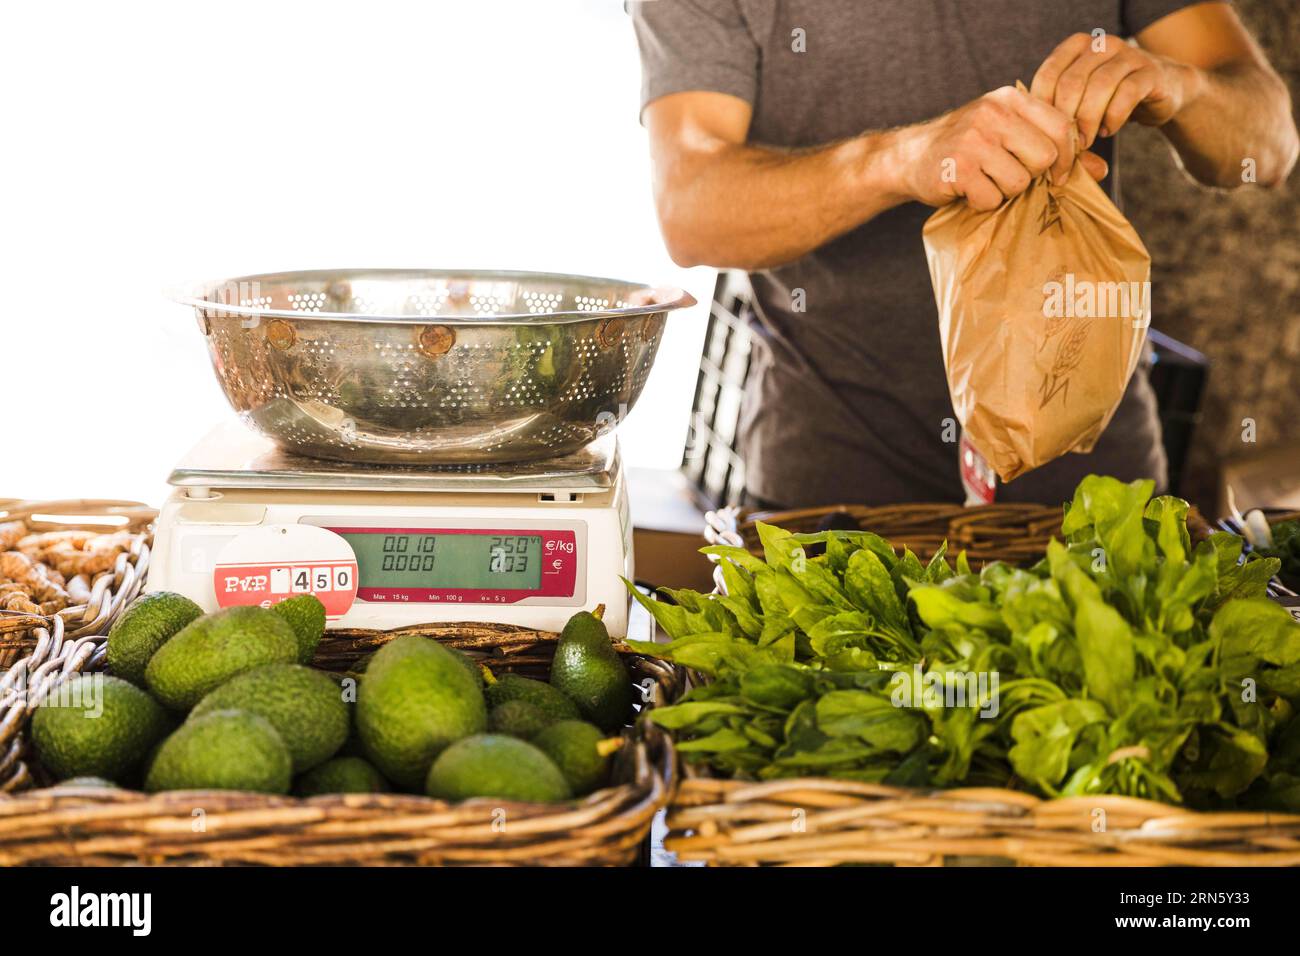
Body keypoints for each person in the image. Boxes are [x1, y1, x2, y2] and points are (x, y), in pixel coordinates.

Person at [631, 1, 1298, 508]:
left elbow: (1267, 148)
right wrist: (898, 160)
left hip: (1094, 499)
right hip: (831, 500)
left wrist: (1186, 88)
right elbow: (691, 205)